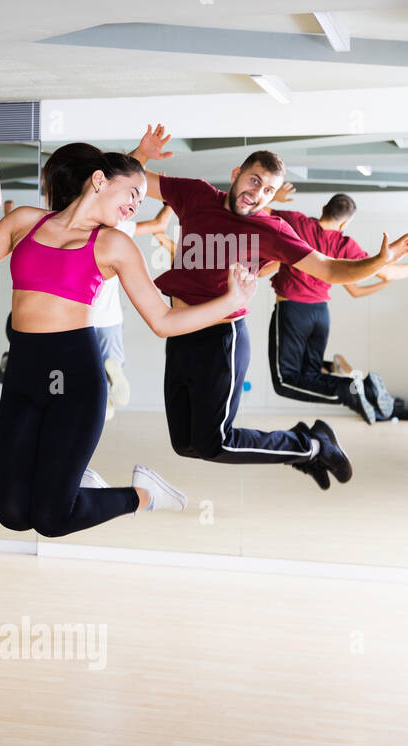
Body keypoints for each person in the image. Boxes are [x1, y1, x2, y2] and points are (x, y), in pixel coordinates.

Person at [0, 143, 257, 536]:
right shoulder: (26, 221)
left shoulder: (114, 244)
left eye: (142, 200)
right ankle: (81, 486)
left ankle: (143, 494)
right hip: (25, 371)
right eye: (132, 193)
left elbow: (163, 320)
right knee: (12, 512)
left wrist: (230, 301)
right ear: (98, 180)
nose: (136, 205)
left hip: (74, 375)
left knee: (51, 519)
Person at [129, 124, 408, 489]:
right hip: (181, 332)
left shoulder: (272, 230)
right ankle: (307, 445)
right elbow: (130, 180)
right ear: (236, 175)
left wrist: (376, 261)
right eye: (254, 180)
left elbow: (327, 268)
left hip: (220, 339)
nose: (258, 193)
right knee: (186, 444)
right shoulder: (195, 194)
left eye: (268, 190)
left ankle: (312, 445)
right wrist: (143, 151)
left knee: (217, 442)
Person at [257, 188, 408, 423]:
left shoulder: (297, 222)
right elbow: (385, 272)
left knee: (284, 380)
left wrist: (274, 198)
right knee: (310, 375)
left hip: (293, 310)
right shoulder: (345, 245)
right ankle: (361, 388)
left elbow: (254, 209)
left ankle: (356, 392)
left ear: (323, 209)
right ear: (344, 224)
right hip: (320, 315)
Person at [90, 203, 174, 419]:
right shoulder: (118, 229)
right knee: (111, 357)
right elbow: (159, 224)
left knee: (86, 365)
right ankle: (113, 368)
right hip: (109, 317)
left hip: (81, 316)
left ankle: (102, 399)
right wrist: (169, 203)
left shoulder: (77, 229)